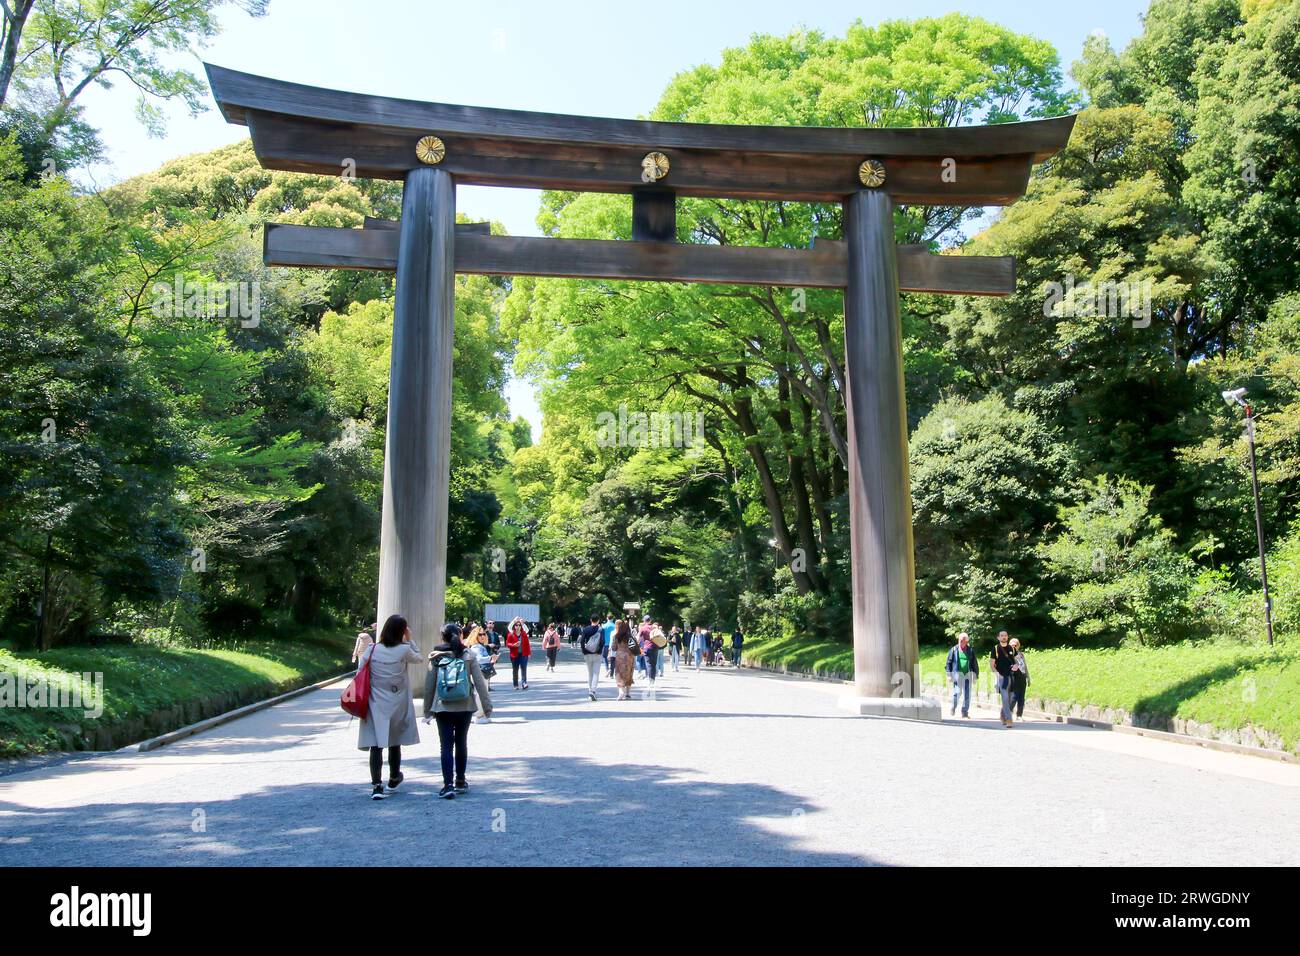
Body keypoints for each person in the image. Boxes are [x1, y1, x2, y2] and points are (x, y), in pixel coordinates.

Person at [424, 623, 493, 800]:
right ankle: (460, 781)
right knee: (461, 742)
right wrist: (487, 706)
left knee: (446, 745)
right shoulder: (468, 655)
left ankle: (447, 785)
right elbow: (479, 682)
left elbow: (429, 686)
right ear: (460, 635)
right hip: (465, 705)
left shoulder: (436, 657)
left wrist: (427, 711)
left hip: (443, 706)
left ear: (442, 637)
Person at [358, 614, 422, 800]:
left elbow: (361, 670)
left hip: (375, 700)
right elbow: (418, 658)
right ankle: (394, 777)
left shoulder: (372, 648)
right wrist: (410, 639)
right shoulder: (403, 650)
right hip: (397, 698)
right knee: (395, 740)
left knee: (376, 743)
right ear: (402, 631)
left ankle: (376, 785)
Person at [944, 632, 978, 718]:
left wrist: (975, 675)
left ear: (966, 641)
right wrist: (948, 674)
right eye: (960, 640)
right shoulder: (954, 650)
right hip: (957, 675)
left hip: (968, 675)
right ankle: (953, 707)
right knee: (957, 693)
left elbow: (975, 664)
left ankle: (964, 712)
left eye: (963, 640)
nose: (961, 641)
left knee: (967, 695)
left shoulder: (970, 650)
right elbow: (948, 663)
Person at [990, 630, 1017, 727]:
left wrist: (1016, 666)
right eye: (1002, 636)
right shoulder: (996, 649)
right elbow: (992, 664)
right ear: (998, 637)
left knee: (1011, 699)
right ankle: (1009, 719)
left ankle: (1003, 715)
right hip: (1002, 677)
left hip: (1012, 677)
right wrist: (997, 674)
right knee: (1005, 698)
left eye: (1005, 635)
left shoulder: (1012, 649)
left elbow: (1017, 661)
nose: (1004, 637)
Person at [464, 625, 498, 694]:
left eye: (484, 634)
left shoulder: (480, 646)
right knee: (481, 697)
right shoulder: (477, 646)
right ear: (475, 636)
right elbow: (479, 659)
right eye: (480, 635)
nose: (482, 636)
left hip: (482, 673)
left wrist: (492, 660)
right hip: (480, 673)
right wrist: (490, 658)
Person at [612, 619, 640, 700]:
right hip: (629, 658)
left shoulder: (616, 636)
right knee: (629, 674)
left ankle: (621, 691)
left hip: (620, 658)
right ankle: (628, 693)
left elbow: (614, 648)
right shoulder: (630, 637)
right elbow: (634, 648)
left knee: (619, 675)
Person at [580, 614, 605, 701]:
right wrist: (599, 651)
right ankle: (593, 691)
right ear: (598, 620)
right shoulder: (601, 630)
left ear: (591, 620)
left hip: (587, 653)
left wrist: (584, 650)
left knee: (590, 673)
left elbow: (582, 641)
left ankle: (590, 691)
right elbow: (602, 641)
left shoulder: (586, 629)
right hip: (597, 654)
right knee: (596, 673)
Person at [505, 616, 531, 689]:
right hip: (514, 655)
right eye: (516, 625)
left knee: (523, 668)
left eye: (519, 625)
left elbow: (527, 644)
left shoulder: (524, 634)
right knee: (515, 670)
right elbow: (508, 644)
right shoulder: (511, 634)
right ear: (514, 626)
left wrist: (529, 653)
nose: (518, 626)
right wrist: (514, 645)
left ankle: (524, 683)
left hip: (523, 654)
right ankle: (515, 685)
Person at [1009, 637, 1030, 718]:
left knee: (1022, 697)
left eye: (1016, 645)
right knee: (1014, 696)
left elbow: (1025, 666)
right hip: (1014, 677)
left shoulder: (1021, 654)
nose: (1014, 646)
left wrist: (1028, 677)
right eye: (1013, 645)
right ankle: (1009, 713)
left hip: (1022, 677)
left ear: (1018, 645)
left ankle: (1019, 715)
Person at [601, 613, 618, 678]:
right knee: (613, 659)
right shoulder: (615, 626)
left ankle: (607, 669)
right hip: (614, 644)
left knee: (604, 657)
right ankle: (611, 672)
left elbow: (601, 635)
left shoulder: (604, 626)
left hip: (605, 644)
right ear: (612, 618)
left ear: (607, 618)